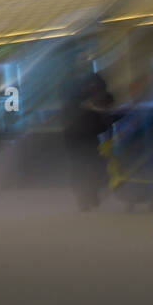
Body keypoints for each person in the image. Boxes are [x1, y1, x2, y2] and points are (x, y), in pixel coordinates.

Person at [60, 49, 120, 211]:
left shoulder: (72, 83)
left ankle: (87, 195)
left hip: (80, 130)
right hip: (83, 130)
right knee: (88, 163)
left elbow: (106, 99)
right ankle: (86, 195)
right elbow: (106, 99)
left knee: (84, 163)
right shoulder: (91, 80)